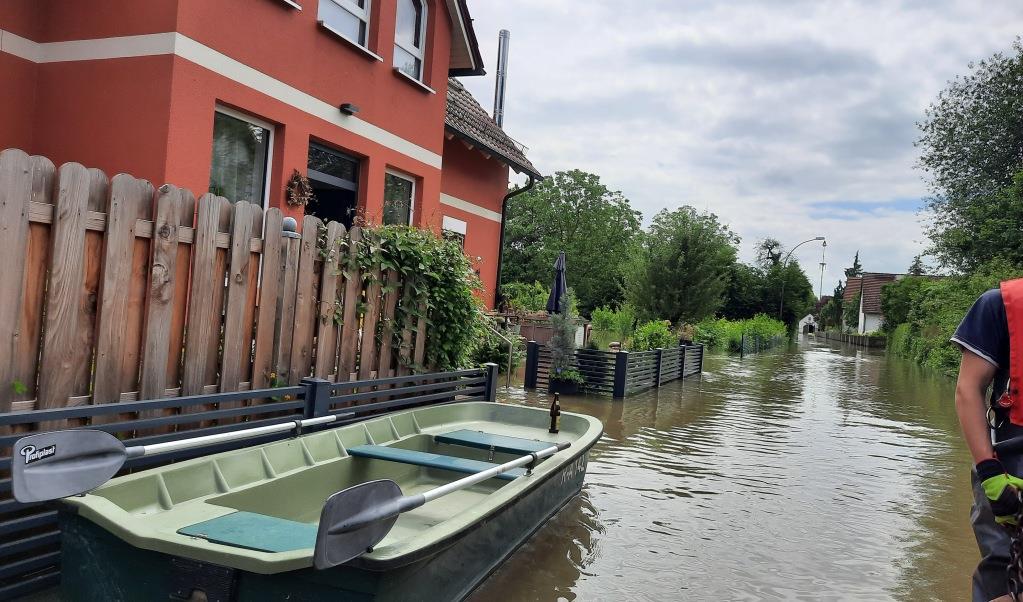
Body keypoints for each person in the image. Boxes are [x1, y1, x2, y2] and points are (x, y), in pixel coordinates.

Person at [954, 282, 1023, 602]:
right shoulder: (1000, 305)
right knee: (1001, 578)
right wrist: (989, 474)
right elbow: (969, 390)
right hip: (1007, 471)